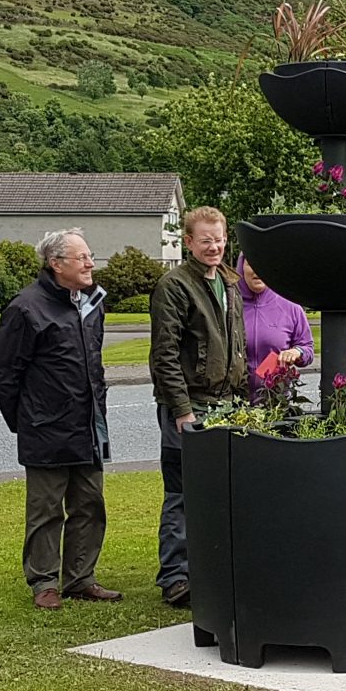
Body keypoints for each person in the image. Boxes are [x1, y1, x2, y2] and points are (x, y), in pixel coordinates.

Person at [0, 228, 122, 610]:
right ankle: (44, 582)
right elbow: (3, 371)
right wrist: (26, 419)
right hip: (45, 428)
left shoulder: (93, 303)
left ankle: (80, 578)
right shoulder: (26, 308)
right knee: (46, 510)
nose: (90, 263)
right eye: (82, 258)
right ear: (55, 263)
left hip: (88, 425)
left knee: (90, 504)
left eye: (90, 255)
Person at [149, 206, 248, 607]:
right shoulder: (174, 286)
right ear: (188, 242)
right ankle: (175, 577)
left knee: (221, 493)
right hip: (190, 405)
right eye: (205, 240)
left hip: (227, 404)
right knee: (183, 494)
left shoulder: (229, 282)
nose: (214, 246)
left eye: (219, 239)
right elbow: (165, 356)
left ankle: (214, 571)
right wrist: (181, 410)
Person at [236, 256, 314, 400]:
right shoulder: (229, 304)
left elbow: (307, 348)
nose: (257, 271)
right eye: (251, 264)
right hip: (235, 403)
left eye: (263, 264)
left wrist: (297, 352)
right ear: (241, 267)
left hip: (276, 403)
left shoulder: (290, 305)